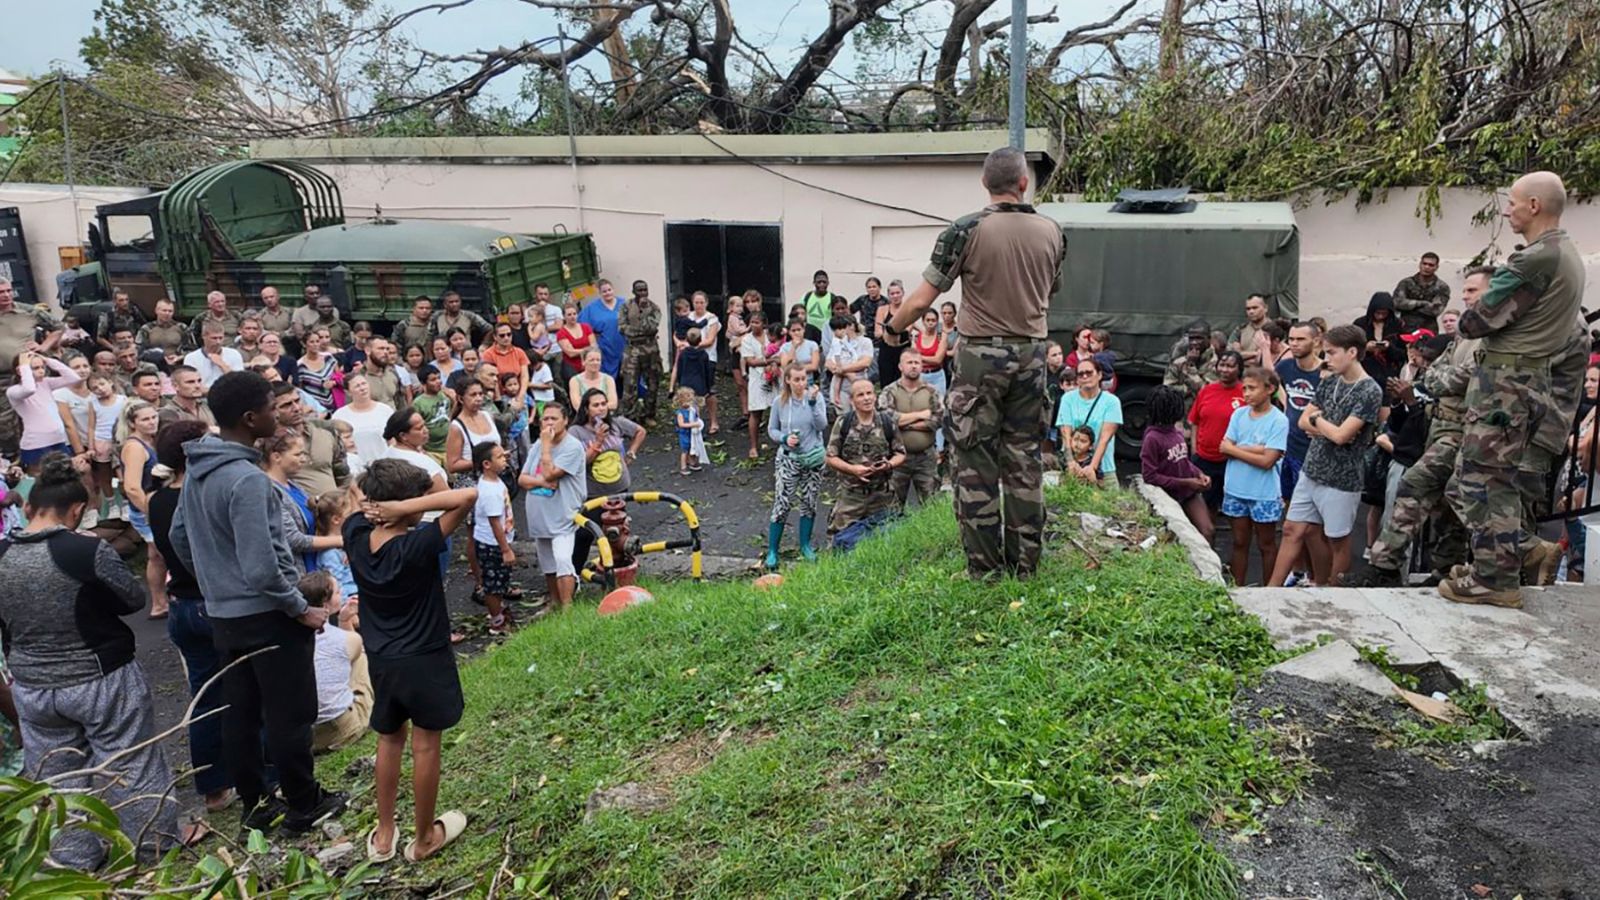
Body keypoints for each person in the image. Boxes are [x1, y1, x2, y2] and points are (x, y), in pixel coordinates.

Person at [170, 371, 347, 834]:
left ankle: (256, 804)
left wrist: (215, 580)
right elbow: (263, 566)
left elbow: (179, 537)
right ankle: (304, 804)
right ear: (251, 419)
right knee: (290, 714)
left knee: (241, 712)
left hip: (225, 616)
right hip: (267, 616)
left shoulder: (198, 471)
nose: (279, 412)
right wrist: (298, 607)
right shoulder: (248, 480)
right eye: (272, 406)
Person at [0, 454, 187, 869]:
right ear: (78, 510)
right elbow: (132, 599)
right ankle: (154, 848)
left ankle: (73, 861)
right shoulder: (86, 551)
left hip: (32, 685)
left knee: (57, 775)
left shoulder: (2, 555)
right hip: (99, 675)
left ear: (29, 507)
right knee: (129, 760)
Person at [883, 148, 1063, 579]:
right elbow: (1049, 291)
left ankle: (984, 569)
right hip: (1033, 353)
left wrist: (892, 328)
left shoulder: (966, 229)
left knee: (975, 461)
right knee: (1024, 459)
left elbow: (924, 299)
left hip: (981, 355)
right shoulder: (1053, 231)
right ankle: (1025, 565)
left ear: (985, 183)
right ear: (1024, 183)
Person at [1440, 171, 1585, 607]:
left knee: (1486, 480)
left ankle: (1497, 580)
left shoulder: (1535, 259)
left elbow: (1475, 320)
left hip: (1506, 382)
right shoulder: (1566, 252)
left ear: (1535, 206)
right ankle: (1507, 560)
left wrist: (1479, 308)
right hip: (1522, 379)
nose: (1508, 210)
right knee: (1478, 477)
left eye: (1514, 203)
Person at [344, 459, 475, 862]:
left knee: (389, 737)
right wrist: (403, 508)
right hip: (424, 657)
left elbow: (353, 488)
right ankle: (422, 839)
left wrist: (385, 504)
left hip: (382, 657)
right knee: (425, 744)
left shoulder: (354, 533)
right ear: (405, 504)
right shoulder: (418, 543)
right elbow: (466, 496)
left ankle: (384, 835)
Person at [148, 419, 235, 813]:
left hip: (181, 603)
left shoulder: (157, 500)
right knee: (249, 687)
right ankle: (265, 774)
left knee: (204, 698)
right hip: (213, 601)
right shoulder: (202, 494)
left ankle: (213, 788)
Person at [1267, 325, 1383, 588]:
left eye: (1331, 353)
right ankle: (1271, 591)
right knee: (1292, 529)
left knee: (1337, 540)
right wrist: (1325, 426)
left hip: (1342, 479)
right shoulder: (1329, 381)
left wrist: (1320, 422)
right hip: (1312, 469)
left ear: (1352, 352)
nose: (1326, 359)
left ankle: (1333, 591)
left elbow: (1342, 436)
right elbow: (1303, 422)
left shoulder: (1370, 390)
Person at [1219, 367, 1288, 585]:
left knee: (1266, 544)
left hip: (1263, 493)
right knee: (1239, 542)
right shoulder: (1239, 414)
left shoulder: (1278, 420)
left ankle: (1269, 590)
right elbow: (1224, 445)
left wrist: (1236, 450)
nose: (1246, 393)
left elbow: (1268, 461)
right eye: (1244, 388)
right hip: (1235, 489)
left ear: (1270, 389)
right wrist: (1257, 449)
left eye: (1252, 388)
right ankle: (1237, 587)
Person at [296, 572, 373, 753]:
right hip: (343, 728)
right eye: (338, 592)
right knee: (360, 656)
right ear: (325, 604)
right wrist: (345, 620)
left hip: (307, 734)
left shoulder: (290, 640)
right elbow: (352, 650)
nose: (343, 593)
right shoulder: (343, 638)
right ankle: (365, 710)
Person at [520, 403, 586, 609]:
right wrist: (540, 482)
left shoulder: (572, 447)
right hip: (539, 514)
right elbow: (522, 479)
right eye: (545, 419)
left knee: (563, 559)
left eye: (553, 418)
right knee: (548, 564)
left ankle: (568, 607)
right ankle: (555, 602)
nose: (549, 423)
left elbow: (550, 473)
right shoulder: (538, 445)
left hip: (563, 514)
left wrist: (546, 447)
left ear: (565, 420)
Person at [826, 379, 907, 550]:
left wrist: (888, 465)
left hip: (882, 496)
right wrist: (853, 470)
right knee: (839, 542)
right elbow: (831, 457)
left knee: (888, 541)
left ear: (875, 396)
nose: (866, 398)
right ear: (852, 400)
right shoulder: (844, 423)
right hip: (851, 497)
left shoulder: (887, 422)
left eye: (869, 393)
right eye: (860, 395)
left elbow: (900, 453)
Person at [765, 365, 828, 568]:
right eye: (797, 379)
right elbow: (772, 429)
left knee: (809, 502)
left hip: (812, 459)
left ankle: (805, 545)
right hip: (789, 458)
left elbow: (822, 425)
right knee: (782, 503)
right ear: (789, 381)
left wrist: (812, 403)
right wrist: (784, 438)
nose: (802, 383)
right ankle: (773, 550)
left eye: (804, 379)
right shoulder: (779, 402)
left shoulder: (815, 399)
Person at [260, 429, 340, 573]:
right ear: (276, 457)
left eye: (304, 454)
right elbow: (293, 539)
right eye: (297, 454)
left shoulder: (294, 486)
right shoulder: (269, 490)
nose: (303, 459)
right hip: (296, 572)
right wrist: (341, 541)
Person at [1141, 386, 1214, 541]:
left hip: (1188, 492)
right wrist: (1186, 482)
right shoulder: (1152, 438)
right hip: (1168, 495)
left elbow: (1184, 461)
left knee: (1207, 530)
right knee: (1176, 538)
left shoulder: (1176, 432)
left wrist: (1199, 474)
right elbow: (1149, 476)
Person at [120, 401, 170, 617]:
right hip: (146, 510)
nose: (152, 422)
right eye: (145, 419)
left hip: (156, 505)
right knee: (164, 552)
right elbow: (131, 486)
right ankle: (163, 601)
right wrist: (150, 512)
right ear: (133, 423)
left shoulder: (152, 441)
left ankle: (160, 604)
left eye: (153, 417)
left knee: (156, 555)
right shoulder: (134, 447)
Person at [879, 353, 942, 508]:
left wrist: (904, 423)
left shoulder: (932, 391)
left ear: (921, 366)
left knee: (932, 507)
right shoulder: (890, 391)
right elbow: (886, 420)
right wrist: (921, 415)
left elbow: (938, 420)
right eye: (909, 362)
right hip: (897, 458)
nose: (913, 366)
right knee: (892, 508)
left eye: (917, 362)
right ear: (900, 366)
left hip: (926, 458)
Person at [1053, 354, 1124, 487]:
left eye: (1089, 373)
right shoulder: (1067, 399)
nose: (1085, 377)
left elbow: (1105, 439)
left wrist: (1092, 467)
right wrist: (1070, 462)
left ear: (1099, 375)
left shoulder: (1111, 402)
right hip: (1072, 469)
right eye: (1081, 374)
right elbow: (1065, 433)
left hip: (1103, 469)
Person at [1186, 350, 1245, 508]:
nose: (1225, 370)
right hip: (1204, 459)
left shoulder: (1246, 393)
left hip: (1232, 461)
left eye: (1231, 366)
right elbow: (1195, 421)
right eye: (1222, 365)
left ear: (1239, 369)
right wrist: (1194, 450)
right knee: (1205, 506)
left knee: (1233, 508)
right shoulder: (1207, 390)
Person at [272, 382, 348, 496]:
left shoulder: (324, 432)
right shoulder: (269, 444)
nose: (296, 408)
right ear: (273, 410)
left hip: (335, 507)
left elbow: (343, 474)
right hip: (298, 509)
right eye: (286, 405)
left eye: (297, 401)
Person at [8, 351, 80, 471]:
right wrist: (24, 366)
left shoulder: (46, 383)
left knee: (64, 477)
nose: (41, 371)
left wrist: (47, 360)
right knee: (41, 480)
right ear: (20, 371)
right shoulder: (14, 391)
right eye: (35, 368)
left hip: (58, 440)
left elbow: (74, 378)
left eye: (42, 367)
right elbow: (29, 389)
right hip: (36, 444)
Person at [471, 443, 515, 635]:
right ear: (486, 464)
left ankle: (499, 610)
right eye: (499, 456)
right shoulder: (489, 491)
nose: (504, 458)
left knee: (500, 580)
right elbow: (494, 522)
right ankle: (497, 621)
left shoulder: (495, 481)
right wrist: (505, 549)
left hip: (497, 541)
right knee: (493, 583)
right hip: (492, 543)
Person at [616, 279, 663, 425]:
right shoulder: (625, 306)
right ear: (633, 291)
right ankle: (630, 417)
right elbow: (622, 328)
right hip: (632, 351)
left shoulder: (654, 308)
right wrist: (638, 332)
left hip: (650, 350)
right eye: (639, 290)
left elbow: (651, 328)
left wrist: (642, 314)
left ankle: (649, 414)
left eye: (645, 290)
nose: (643, 293)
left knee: (652, 383)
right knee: (629, 384)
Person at [332, 373, 396, 465]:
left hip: (384, 467)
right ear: (348, 392)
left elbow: (393, 441)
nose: (362, 388)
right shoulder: (340, 415)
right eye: (357, 386)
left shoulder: (385, 410)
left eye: (364, 383)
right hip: (355, 468)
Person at [683, 291, 722, 433]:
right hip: (690, 358)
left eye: (701, 302)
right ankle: (692, 421)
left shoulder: (712, 318)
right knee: (690, 389)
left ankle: (713, 421)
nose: (699, 305)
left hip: (707, 357)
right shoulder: (688, 317)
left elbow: (710, 339)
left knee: (709, 389)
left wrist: (692, 345)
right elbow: (680, 334)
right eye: (696, 302)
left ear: (706, 303)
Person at [739, 315, 777, 459]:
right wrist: (771, 360)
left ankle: (782, 443)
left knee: (778, 409)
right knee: (755, 412)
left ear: (764, 323)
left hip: (774, 378)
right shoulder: (747, 339)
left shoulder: (771, 335)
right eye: (752, 322)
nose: (754, 325)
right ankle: (753, 446)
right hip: (757, 379)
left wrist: (773, 363)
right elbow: (751, 361)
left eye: (757, 322)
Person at [85, 374, 126, 505]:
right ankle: (111, 502)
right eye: (95, 388)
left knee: (121, 474)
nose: (100, 389)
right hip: (101, 442)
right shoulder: (93, 404)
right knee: (104, 473)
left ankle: (125, 501)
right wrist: (91, 447)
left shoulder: (122, 400)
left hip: (120, 440)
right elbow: (91, 426)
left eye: (102, 384)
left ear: (110, 382)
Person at [1393, 252, 1452, 333]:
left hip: (1428, 330)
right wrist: (1422, 303)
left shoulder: (1442, 287)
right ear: (1420, 264)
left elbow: (1435, 310)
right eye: (1424, 264)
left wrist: (1409, 306)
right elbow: (1397, 302)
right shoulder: (1406, 283)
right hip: (1404, 328)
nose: (1427, 267)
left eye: (1431, 265)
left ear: (1436, 267)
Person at [825, 315, 874, 412]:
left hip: (860, 385)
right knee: (843, 418)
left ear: (851, 326)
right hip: (841, 387)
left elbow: (865, 362)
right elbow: (828, 362)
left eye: (842, 327)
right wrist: (846, 373)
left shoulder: (865, 341)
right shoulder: (838, 342)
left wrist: (843, 369)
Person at [1163, 320, 1218, 403]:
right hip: (1181, 411)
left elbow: (1207, 393)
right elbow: (1167, 389)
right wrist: (1188, 390)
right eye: (1191, 338)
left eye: (1199, 338)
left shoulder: (1218, 363)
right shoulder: (1179, 361)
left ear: (1209, 339)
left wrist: (1190, 366)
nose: (1194, 342)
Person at [1354, 291, 1403, 383]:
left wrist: (1389, 347)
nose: (1380, 316)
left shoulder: (1397, 325)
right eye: (1378, 313)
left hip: (1390, 371)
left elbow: (1402, 353)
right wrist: (1366, 348)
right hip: (1365, 370)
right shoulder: (1360, 324)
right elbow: (1351, 348)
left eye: (1384, 313)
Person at [579, 280, 624, 378]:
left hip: (624, 345)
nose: (608, 293)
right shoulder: (592, 308)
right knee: (609, 377)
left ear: (613, 290)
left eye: (609, 290)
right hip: (606, 348)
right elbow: (583, 327)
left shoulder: (624, 303)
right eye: (604, 291)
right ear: (599, 293)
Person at [184, 321, 245, 388]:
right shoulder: (191, 358)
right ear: (204, 337)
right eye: (214, 338)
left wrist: (222, 364)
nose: (218, 342)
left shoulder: (234, 354)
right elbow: (190, 384)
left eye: (220, 338)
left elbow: (240, 381)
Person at [297, 327, 342, 413]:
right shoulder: (300, 365)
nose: (315, 344)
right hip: (314, 408)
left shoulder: (328, 358)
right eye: (311, 342)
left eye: (317, 341)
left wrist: (333, 382)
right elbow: (299, 391)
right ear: (304, 344)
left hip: (334, 402)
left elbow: (339, 376)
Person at [873, 280, 907, 387]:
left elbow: (908, 329)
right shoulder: (882, 309)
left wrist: (888, 330)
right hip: (886, 350)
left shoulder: (907, 309)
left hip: (903, 350)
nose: (895, 296)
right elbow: (877, 332)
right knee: (886, 384)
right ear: (888, 295)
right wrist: (893, 332)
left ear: (903, 293)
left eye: (898, 293)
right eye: (892, 294)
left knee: (902, 383)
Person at [675, 327, 714, 418]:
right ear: (700, 339)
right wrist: (708, 387)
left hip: (685, 383)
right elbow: (707, 371)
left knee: (685, 407)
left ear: (687, 340)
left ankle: (685, 426)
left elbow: (679, 369)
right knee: (696, 408)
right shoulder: (703, 354)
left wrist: (679, 382)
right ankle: (695, 426)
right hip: (699, 384)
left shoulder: (683, 353)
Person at [556, 302, 596, 383]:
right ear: (564, 317)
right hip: (572, 369)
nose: (572, 317)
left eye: (574, 314)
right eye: (569, 314)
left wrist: (581, 351)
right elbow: (570, 353)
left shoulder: (586, 327)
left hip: (589, 365)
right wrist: (587, 350)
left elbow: (594, 346)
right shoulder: (561, 333)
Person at [1228, 294, 1272, 365]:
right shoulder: (1240, 330)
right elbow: (1232, 355)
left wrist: (1243, 355)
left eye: (1255, 308)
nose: (1251, 311)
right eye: (1248, 309)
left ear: (1265, 308)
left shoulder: (1274, 329)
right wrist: (1256, 353)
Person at [672, 387, 704, 476]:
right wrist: (693, 424)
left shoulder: (692, 410)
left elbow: (697, 416)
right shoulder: (680, 413)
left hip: (692, 433)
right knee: (685, 450)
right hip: (684, 433)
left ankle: (692, 462)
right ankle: (683, 466)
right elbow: (681, 424)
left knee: (692, 447)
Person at [779, 319, 821, 384]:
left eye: (799, 330)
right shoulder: (785, 347)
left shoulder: (812, 345)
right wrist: (794, 347)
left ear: (803, 330)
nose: (796, 333)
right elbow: (784, 366)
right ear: (789, 332)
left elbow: (814, 366)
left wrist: (794, 369)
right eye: (793, 331)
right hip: (791, 382)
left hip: (808, 381)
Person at [851, 278, 885, 343]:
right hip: (864, 337)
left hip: (879, 339)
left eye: (874, 287)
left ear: (879, 287)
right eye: (869, 287)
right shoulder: (862, 300)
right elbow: (849, 311)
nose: (871, 289)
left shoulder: (885, 302)